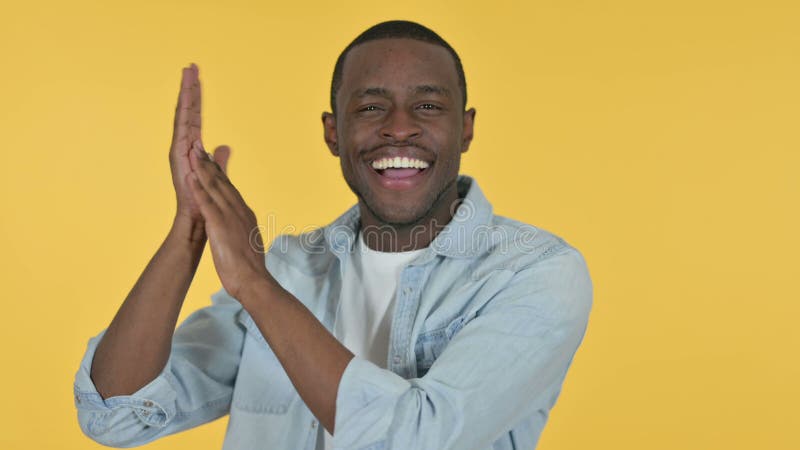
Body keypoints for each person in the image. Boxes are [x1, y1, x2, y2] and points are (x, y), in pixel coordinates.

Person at [74, 20, 593, 450]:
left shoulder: (535, 273)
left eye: (428, 106)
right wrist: (190, 232)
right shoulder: (289, 271)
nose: (398, 127)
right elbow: (115, 412)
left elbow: (413, 438)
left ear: (466, 128)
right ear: (332, 132)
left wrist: (255, 286)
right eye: (370, 107)